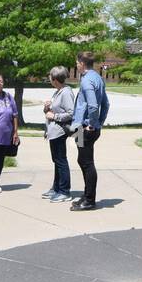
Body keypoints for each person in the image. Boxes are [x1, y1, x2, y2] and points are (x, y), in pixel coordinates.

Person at [70, 51, 109, 211]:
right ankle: (86, 195)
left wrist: (93, 124)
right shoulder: (97, 78)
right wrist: (100, 122)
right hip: (80, 128)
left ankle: (90, 200)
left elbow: (94, 106)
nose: (76, 65)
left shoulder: (87, 81)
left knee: (87, 163)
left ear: (81, 63)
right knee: (82, 160)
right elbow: (106, 104)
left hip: (85, 128)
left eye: (77, 63)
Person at [41, 65, 76, 202]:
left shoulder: (66, 92)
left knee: (61, 161)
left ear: (55, 79)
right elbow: (52, 112)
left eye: (50, 76)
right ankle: (56, 188)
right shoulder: (58, 91)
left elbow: (71, 113)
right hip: (53, 132)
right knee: (57, 161)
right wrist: (47, 108)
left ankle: (64, 191)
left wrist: (54, 116)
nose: (49, 78)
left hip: (60, 132)